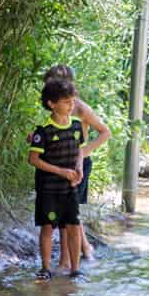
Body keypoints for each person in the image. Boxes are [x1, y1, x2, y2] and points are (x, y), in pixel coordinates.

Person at [42, 64, 111, 262]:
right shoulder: (56, 106)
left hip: (79, 165)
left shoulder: (80, 108)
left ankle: (69, 261)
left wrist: (84, 151)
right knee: (69, 212)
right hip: (62, 164)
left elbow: (105, 132)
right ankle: (85, 250)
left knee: (68, 215)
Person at [28, 77, 84, 280]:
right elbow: (33, 159)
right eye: (67, 101)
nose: (72, 105)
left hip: (70, 187)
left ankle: (75, 270)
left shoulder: (77, 125)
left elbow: (80, 150)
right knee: (47, 227)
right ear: (51, 103)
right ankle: (45, 268)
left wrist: (79, 168)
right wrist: (61, 171)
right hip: (48, 188)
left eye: (73, 101)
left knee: (73, 226)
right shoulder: (43, 130)